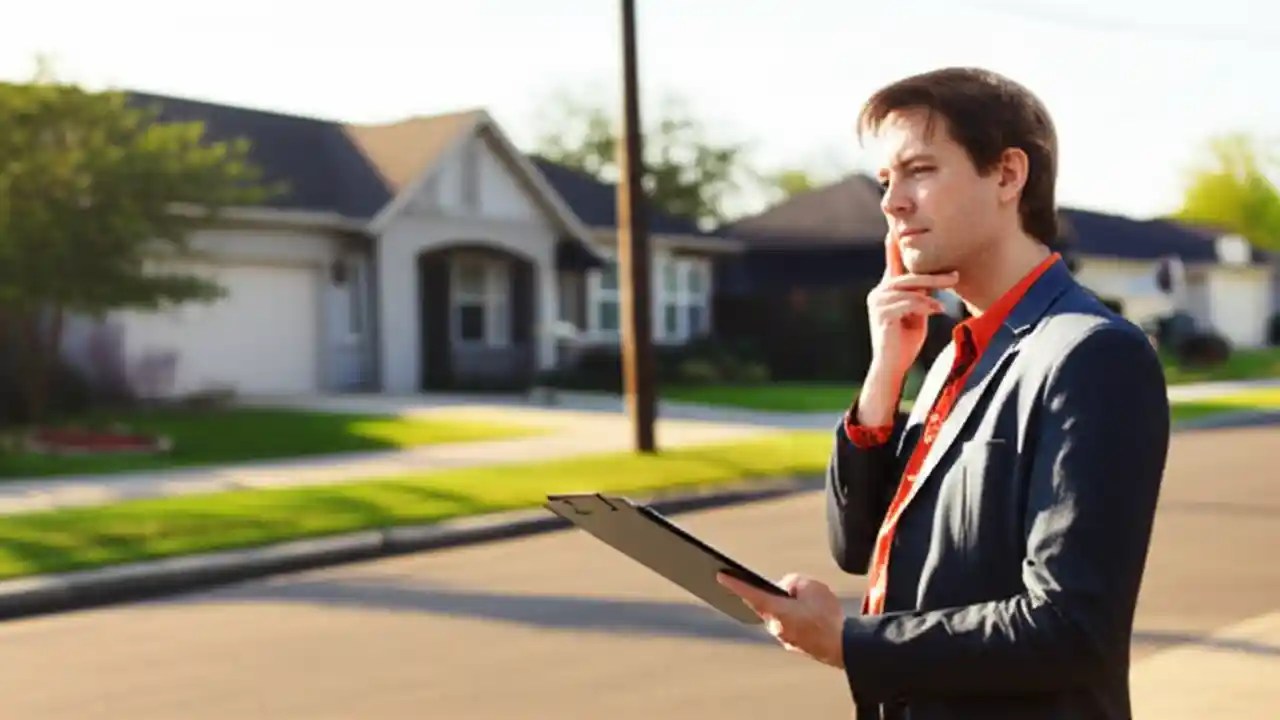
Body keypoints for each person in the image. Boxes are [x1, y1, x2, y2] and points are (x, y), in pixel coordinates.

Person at [717, 67, 1171, 719]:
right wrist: (885, 373)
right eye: (885, 181)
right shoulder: (953, 354)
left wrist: (847, 642)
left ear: (1008, 176)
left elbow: (1073, 630)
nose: (893, 202)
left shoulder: (1091, 354)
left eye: (920, 170)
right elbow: (859, 546)